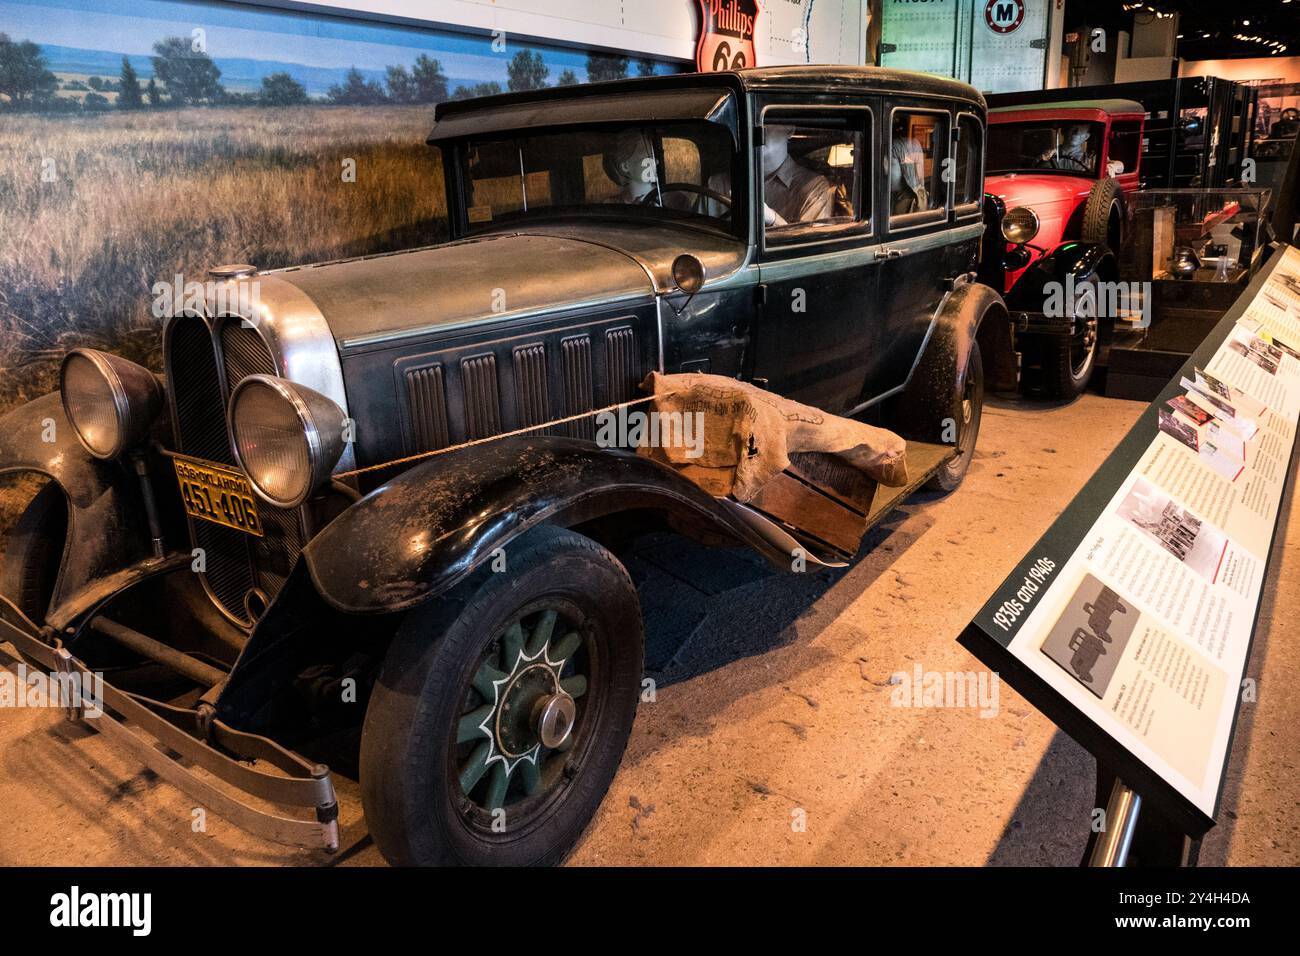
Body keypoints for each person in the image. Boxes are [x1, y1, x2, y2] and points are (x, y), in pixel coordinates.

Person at [890, 119, 928, 214]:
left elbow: (894, 184)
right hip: (921, 200)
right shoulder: (916, 143)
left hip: (903, 204)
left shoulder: (892, 146)